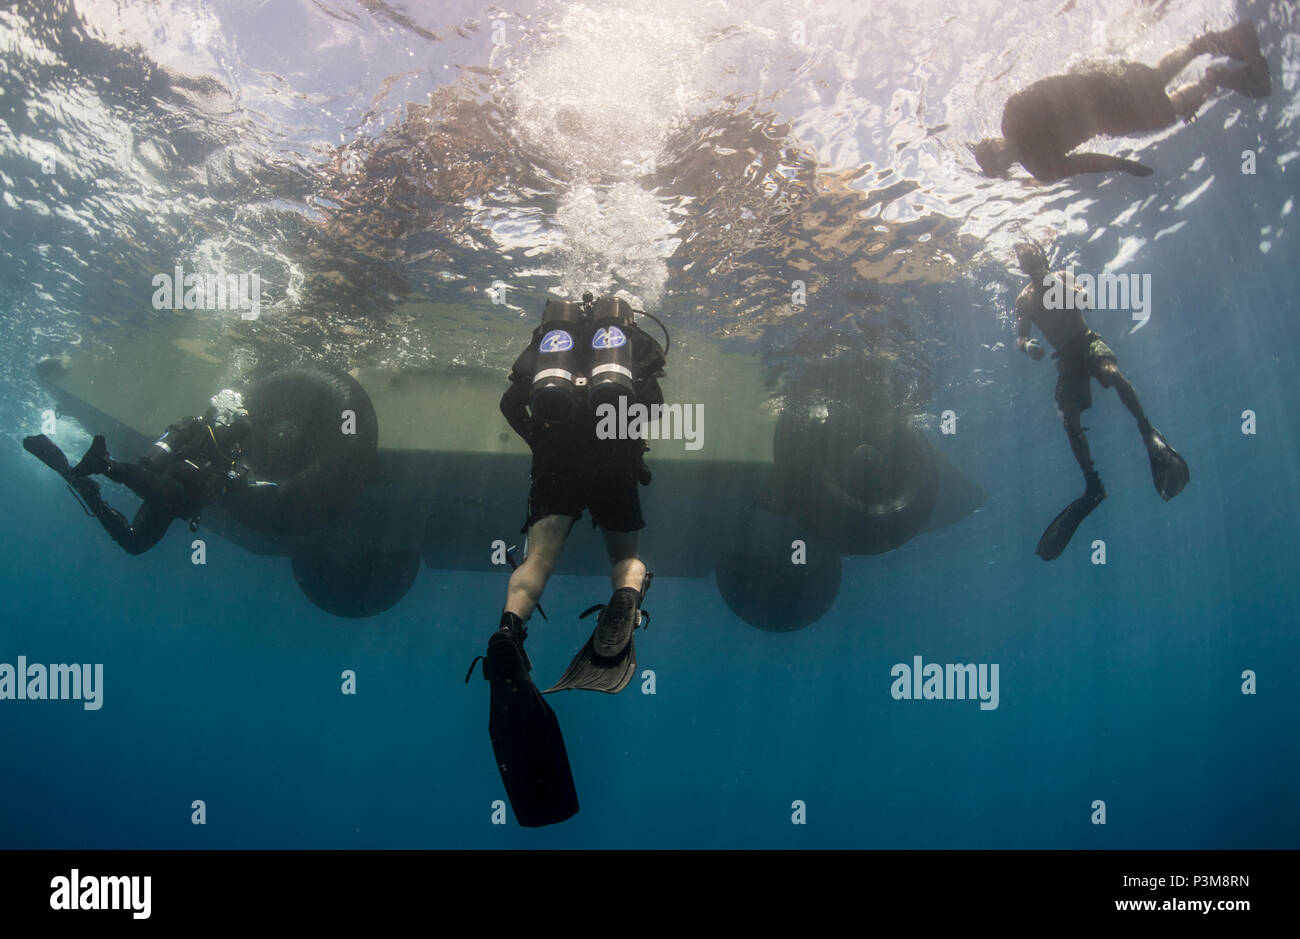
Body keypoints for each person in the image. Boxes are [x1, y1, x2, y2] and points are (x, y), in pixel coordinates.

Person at [468, 293, 667, 826]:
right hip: (614, 452)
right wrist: (628, 440)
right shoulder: (632, 345)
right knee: (627, 559)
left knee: (537, 562)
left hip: (556, 455)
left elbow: (511, 403)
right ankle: (626, 595)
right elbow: (652, 401)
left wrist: (542, 441)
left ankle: (510, 634)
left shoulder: (545, 346)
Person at [1011, 243, 1188, 560]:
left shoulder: (1062, 275)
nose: (1031, 267)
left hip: (1087, 341)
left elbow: (1086, 300)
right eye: (1026, 264)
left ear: (1043, 258)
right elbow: (1019, 336)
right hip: (1065, 359)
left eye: (1034, 261)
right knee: (1069, 420)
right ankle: (1092, 484)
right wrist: (1027, 347)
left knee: (1113, 373)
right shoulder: (1023, 299)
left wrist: (1054, 281)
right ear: (1022, 268)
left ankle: (1147, 431)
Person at [974, 20, 1271, 182]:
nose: (1002, 155)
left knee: (1155, 79)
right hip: (1106, 120)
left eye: (994, 152)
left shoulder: (1012, 117)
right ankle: (1211, 79)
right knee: (1165, 113)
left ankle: (1203, 46)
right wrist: (1124, 165)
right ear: (1004, 169)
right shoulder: (1041, 169)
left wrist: (1093, 77)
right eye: (999, 163)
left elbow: (1047, 86)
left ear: (993, 141)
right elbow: (1088, 163)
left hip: (1095, 88)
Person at [23, 390, 252, 555]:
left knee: (134, 544)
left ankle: (89, 492)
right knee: (160, 492)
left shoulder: (232, 453)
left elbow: (227, 483)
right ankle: (104, 464)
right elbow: (241, 430)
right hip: (180, 486)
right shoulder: (213, 433)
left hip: (179, 507)